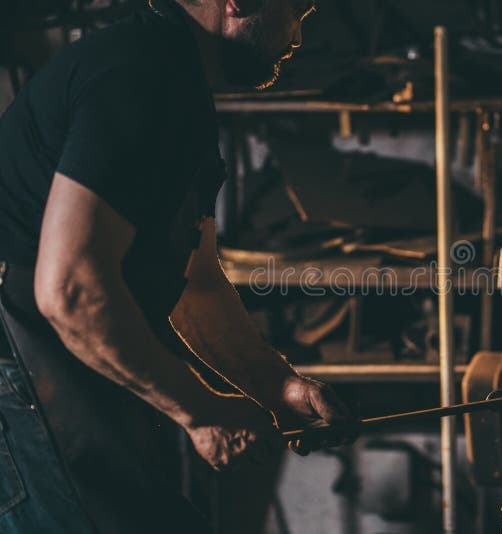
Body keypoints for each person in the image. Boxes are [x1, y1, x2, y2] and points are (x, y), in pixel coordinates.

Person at [0, 1, 354, 532]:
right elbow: (70, 289)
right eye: (295, 10)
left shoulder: (174, 82)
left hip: (57, 381)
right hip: (22, 392)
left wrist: (276, 386)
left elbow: (199, 285)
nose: (299, 35)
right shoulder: (139, 73)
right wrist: (201, 410)